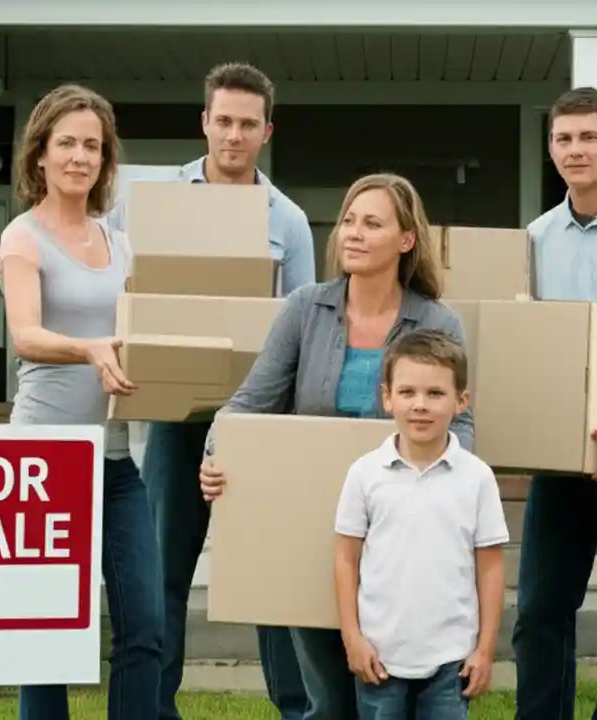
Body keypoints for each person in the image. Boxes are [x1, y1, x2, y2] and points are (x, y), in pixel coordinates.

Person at [197, 172, 476, 719]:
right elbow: (248, 402)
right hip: (316, 526)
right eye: (349, 220)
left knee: (391, 694)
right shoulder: (306, 308)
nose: (353, 232)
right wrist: (217, 452)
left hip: (404, 532)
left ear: (405, 240)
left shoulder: (438, 320)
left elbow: (463, 428)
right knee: (326, 697)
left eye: (372, 223)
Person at [104, 61, 315, 720]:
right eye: (222, 121)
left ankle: (297, 709)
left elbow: (301, 324)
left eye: (247, 124)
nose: (233, 135)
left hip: (256, 421)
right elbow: (124, 295)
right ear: (203, 122)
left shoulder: (290, 220)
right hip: (176, 411)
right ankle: (154, 710)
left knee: (270, 580)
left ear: (266, 131)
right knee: (163, 576)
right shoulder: (156, 203)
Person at [0, 84, 164, 720]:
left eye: (92, 145)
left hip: (116, 460)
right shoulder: (22, 236)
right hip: (43, 461)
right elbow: (25, 334)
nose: (79, 156)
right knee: (45, 641)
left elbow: (135, 335)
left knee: (146, 626)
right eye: (66, 142)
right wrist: (93, 349)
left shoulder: (119, 244)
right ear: (39, 154)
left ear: (104, 159)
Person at [513, 87, 597, 720]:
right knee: (538, 612)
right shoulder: (537, 238)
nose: (575, 150)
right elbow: (535, 346)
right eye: (563, 139)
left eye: (589, 137)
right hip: (561, 458)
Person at [333, 330, 506, 719]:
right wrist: (352, 638)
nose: (420, 405)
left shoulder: (477, 478)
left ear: (461, 401)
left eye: (435, 394)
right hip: (380, 656)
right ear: (387, 397)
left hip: (451, 659)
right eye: (408, 392)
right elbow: (346, 559)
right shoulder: (364, 474)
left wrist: (484, 650)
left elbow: (491, 567)